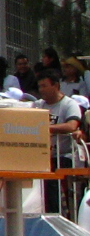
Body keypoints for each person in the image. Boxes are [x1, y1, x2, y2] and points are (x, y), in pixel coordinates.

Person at [37, 70, 81, 215]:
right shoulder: (38, 105)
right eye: (39, 86)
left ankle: (58, 214)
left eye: (44, 86)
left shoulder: (69, 104)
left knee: (52, 185)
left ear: (56, 86)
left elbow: (71, 126)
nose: (41, 90)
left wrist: (45, 128)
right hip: (42, 157)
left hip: (63, 156)